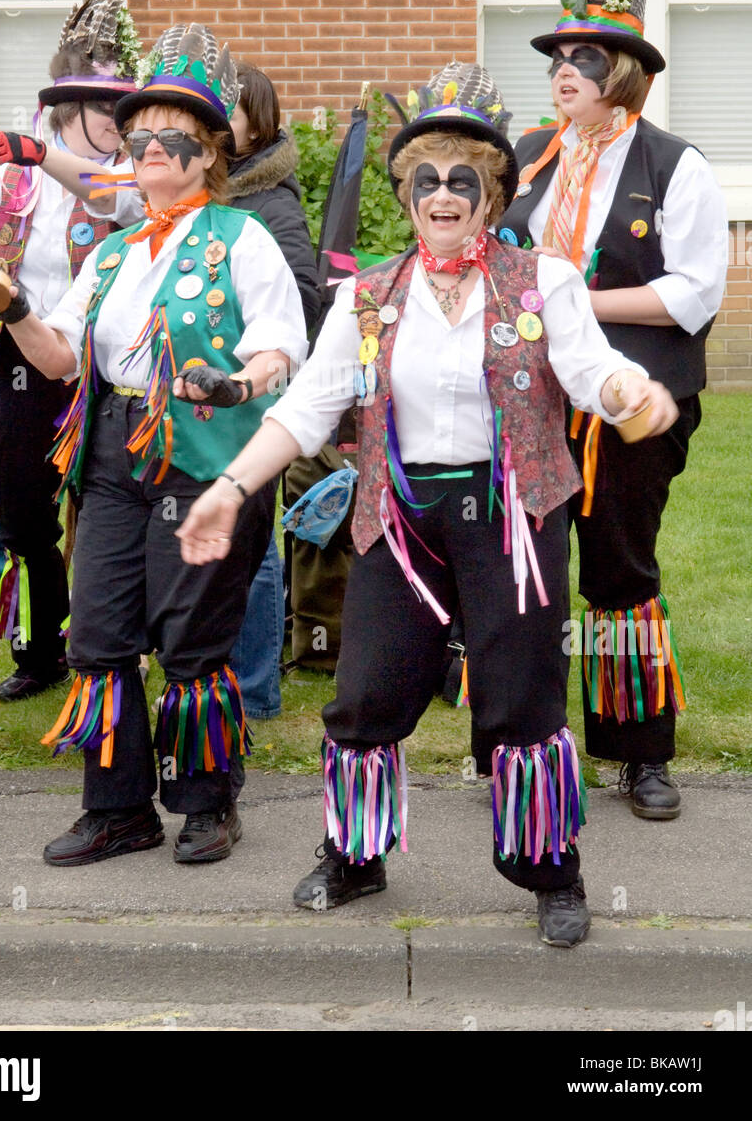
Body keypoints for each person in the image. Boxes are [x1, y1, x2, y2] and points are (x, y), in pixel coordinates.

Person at [177, 63, 679, 948]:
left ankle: (547, 870)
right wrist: (228, 489)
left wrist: (635, 392)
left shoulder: (541, 281)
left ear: (490, 195)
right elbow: (305, 409)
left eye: (462, 180)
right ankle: (354, 856)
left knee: (523, 702)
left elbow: (593, 369)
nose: (442, 195)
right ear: (406, 194)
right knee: (365, 693)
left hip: (515, 515)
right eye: (425, 180)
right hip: (399, 518)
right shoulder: (366, 297)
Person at [0, 23, 306, 868]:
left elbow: (282, 348)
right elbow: (59, 356)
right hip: (115, 449)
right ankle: (117, 809)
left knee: (195, 641)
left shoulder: (245, 239)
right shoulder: (116, 252)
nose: (151, 150)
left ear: (206, 157)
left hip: (207, 449)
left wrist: (234, 381)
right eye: (140, 138)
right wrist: (12, 309)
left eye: (171, 139)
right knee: (99, 635)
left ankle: (206, 806)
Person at [498, 0, 728, 820]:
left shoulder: (677, 166)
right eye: (556, 55)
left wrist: (569, 304)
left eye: (581, 57)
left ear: (623, 71)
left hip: (634, 399)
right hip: (533, 399)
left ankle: (638, 753)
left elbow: (692, 295)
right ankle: (525, 746)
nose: (561, 70)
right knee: (526, 568)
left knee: (619, 572)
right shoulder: (529, 159)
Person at [0, 0, 141, 703]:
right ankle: (39, 647)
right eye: (109, 108)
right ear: (71, 107)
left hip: (107, 359)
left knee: (101, 505)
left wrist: (43, 158)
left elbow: (115, 200)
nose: (120, 121)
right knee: (23, 502)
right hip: (26, 352)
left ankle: (104, 645)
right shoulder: (17, 178)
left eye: (125, 108)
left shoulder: (133, 172)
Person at [226, 63, 319, 718]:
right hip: (194, 397)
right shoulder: (206, 192)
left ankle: (255, 690)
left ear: (256, 121)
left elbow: (303, 299)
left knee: (252, 543)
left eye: (224, 108)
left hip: (253, 396)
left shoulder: (269, 201)